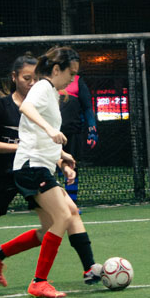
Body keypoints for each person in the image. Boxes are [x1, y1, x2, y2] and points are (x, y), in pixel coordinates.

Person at [0, 55, 102, 294]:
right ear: (14, 78)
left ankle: (88, 268)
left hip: (34, 167)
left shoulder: (49, 96)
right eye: (26, 78)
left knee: (65, 216)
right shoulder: (7, 104)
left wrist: (62, 159)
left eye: (35, 77)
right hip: (10, 172)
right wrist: (35, 141)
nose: (32, 82)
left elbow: (42, 139)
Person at [10, 46, 102, 298]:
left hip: (40, 164)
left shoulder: (52, 92)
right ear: (56, 69)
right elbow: (26, 109)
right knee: (62, 217)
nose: (73, 79)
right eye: (71, 73)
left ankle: (90, 269)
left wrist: (61, 157)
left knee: (70, 212)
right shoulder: (42, 87)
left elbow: (34, 130)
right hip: (32, 166)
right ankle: (39, 281)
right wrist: (52, 132)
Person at [57, 73, 98, 208]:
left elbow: (87, 107)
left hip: (72, 132)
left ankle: (71, 204)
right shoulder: (45, 80)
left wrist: (92, 130)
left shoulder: (77, 80)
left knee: (71, 165)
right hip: (50, 132)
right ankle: (48, 205)